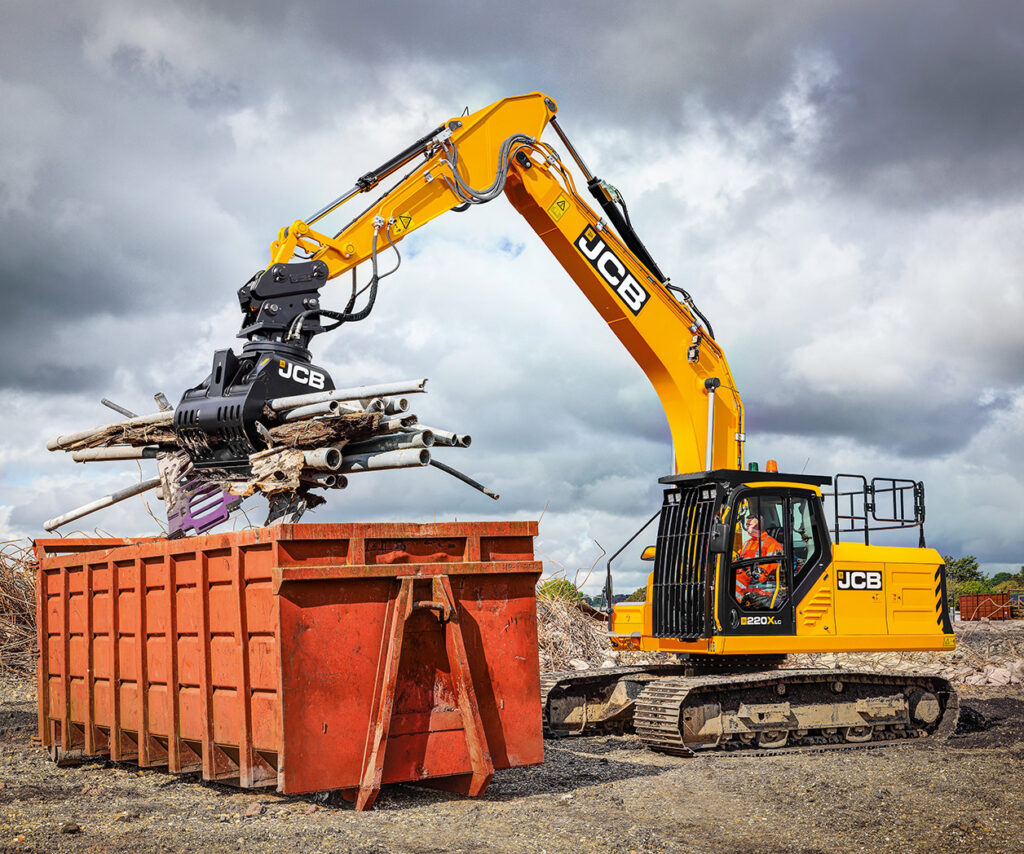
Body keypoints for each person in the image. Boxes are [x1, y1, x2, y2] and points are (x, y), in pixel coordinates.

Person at [734, 515, 784, 609]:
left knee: (732, 583)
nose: (746, 527)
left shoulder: (772, 544)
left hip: (755, 582)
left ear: (758, 525)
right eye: (746, 525)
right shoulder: (747, 543)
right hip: (743, 577)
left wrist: (755, 574)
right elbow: (739, 561)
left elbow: (769, 568)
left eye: (749, 525)